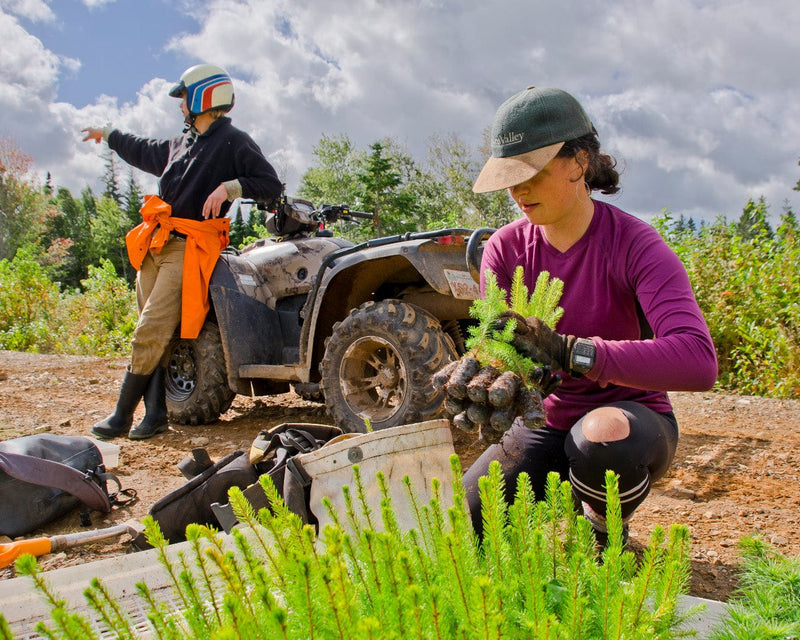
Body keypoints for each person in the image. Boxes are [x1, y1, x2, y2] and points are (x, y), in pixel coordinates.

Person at [445, 86, 717, 542]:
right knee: (464, 529)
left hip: (628, 422)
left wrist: (573, 352)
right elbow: (501, 345)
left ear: (579, 162)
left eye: (532, 171)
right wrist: (499, 373)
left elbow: (698, 360)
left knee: (600, 436)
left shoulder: (636, 245)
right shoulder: (505, 249)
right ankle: (565, 492)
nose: (518, 190)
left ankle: (602, 524)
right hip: (547, 424)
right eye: (510, 176)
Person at [82, 63, 283, 440]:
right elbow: (141, 150)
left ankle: (121, 416)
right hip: (156, 244)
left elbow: (270, 184)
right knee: (158, 334)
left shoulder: (234, 142)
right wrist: (108, 134)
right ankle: (156, 413)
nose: (180, 107)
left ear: (203, 97)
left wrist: (230, 188)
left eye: (183, 98)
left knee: (150, 330)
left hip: (189, 248)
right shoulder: (181, 142)